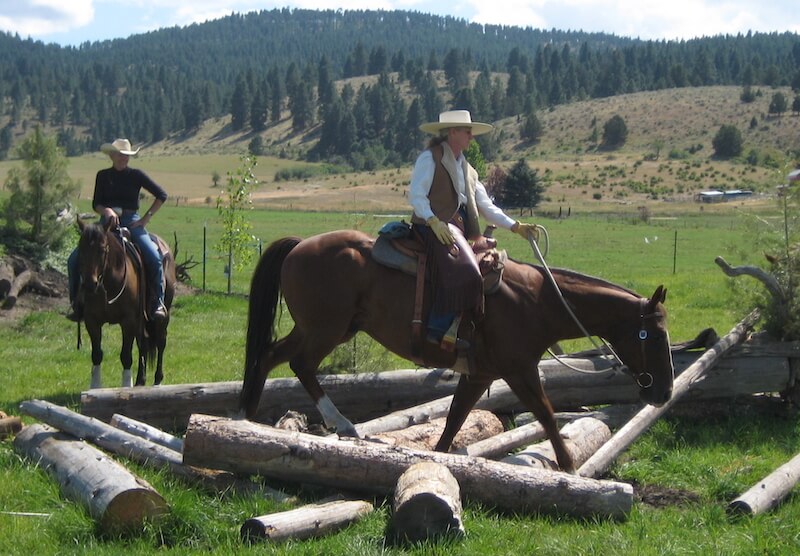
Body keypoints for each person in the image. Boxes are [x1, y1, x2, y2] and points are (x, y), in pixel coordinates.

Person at [409, 110, 538, 350]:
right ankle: (438, 331)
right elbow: (416, 195)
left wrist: (515, 226)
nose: (472, 137)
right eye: (468, 132)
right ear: (452, 132)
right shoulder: (430, 158)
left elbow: (486, 206)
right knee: (464, 268)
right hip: (430, 227)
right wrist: (432, 221)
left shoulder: (469, 169)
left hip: (457, 229)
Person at [66, 138, 169, 321]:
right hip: (105, 223)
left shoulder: (136, 175)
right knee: (74, 259)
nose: (123, 158)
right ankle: (77, 303)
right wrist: (106, 210)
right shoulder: (103, 176)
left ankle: (157, 303)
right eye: (120, 155)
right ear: (111, 156)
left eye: (126, 156)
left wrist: (146, 218)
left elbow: (161, 195)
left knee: (153, 256)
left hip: (131, 221)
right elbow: (96, 203)